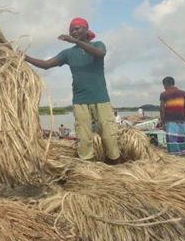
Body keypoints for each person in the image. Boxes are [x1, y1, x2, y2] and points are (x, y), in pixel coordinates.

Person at [23, 17, 123, 164]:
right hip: (80, 101)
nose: (74, 32)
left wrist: (77, 42)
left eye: (77, 29)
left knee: (109, 135)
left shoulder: (98, 44)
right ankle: (88, 170)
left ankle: (118, 166)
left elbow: (100, 54)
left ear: (86, 30)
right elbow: (46, 64)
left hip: (101, 98)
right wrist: (26, 57)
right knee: (84, 138)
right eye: (72, 30)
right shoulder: (68, 53)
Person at [159, 77, 185, 156]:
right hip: (183, 120)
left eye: (164, 85)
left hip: (170, 121)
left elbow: (162, 109)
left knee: (172, 141)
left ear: (166, 84)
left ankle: (175, 157)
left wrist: (163, 122)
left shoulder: (164, 94)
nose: (164, 88)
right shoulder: (183, 93)